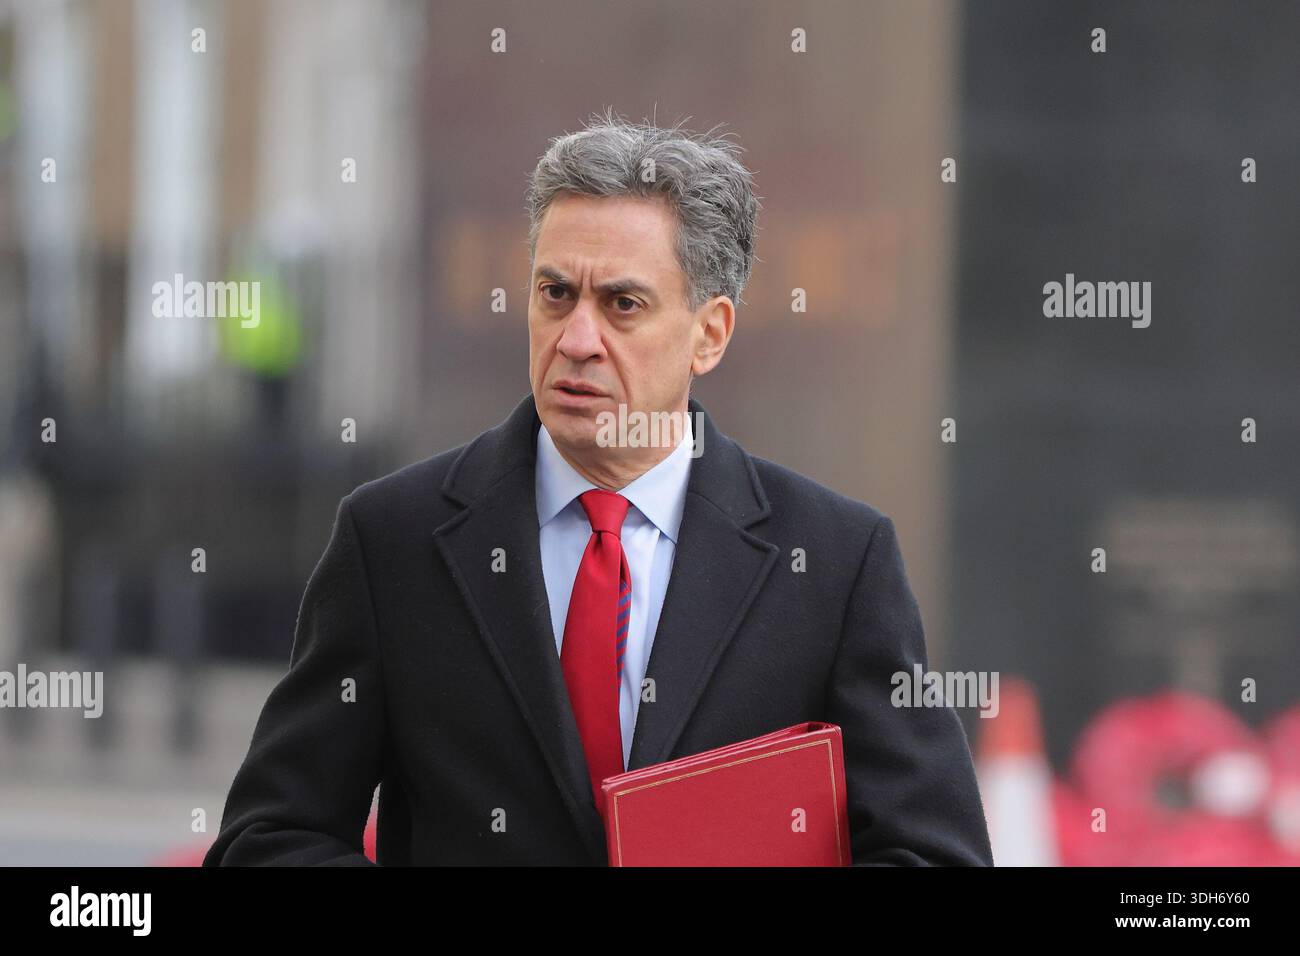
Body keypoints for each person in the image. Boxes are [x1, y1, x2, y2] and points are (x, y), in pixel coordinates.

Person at [203, 112, 993, 866]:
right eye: (556, 295)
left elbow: (936, 854)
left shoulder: (833, 563)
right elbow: (265, 840)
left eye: (623, 304)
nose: (578, 340)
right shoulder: (393, 542)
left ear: (709, 333)